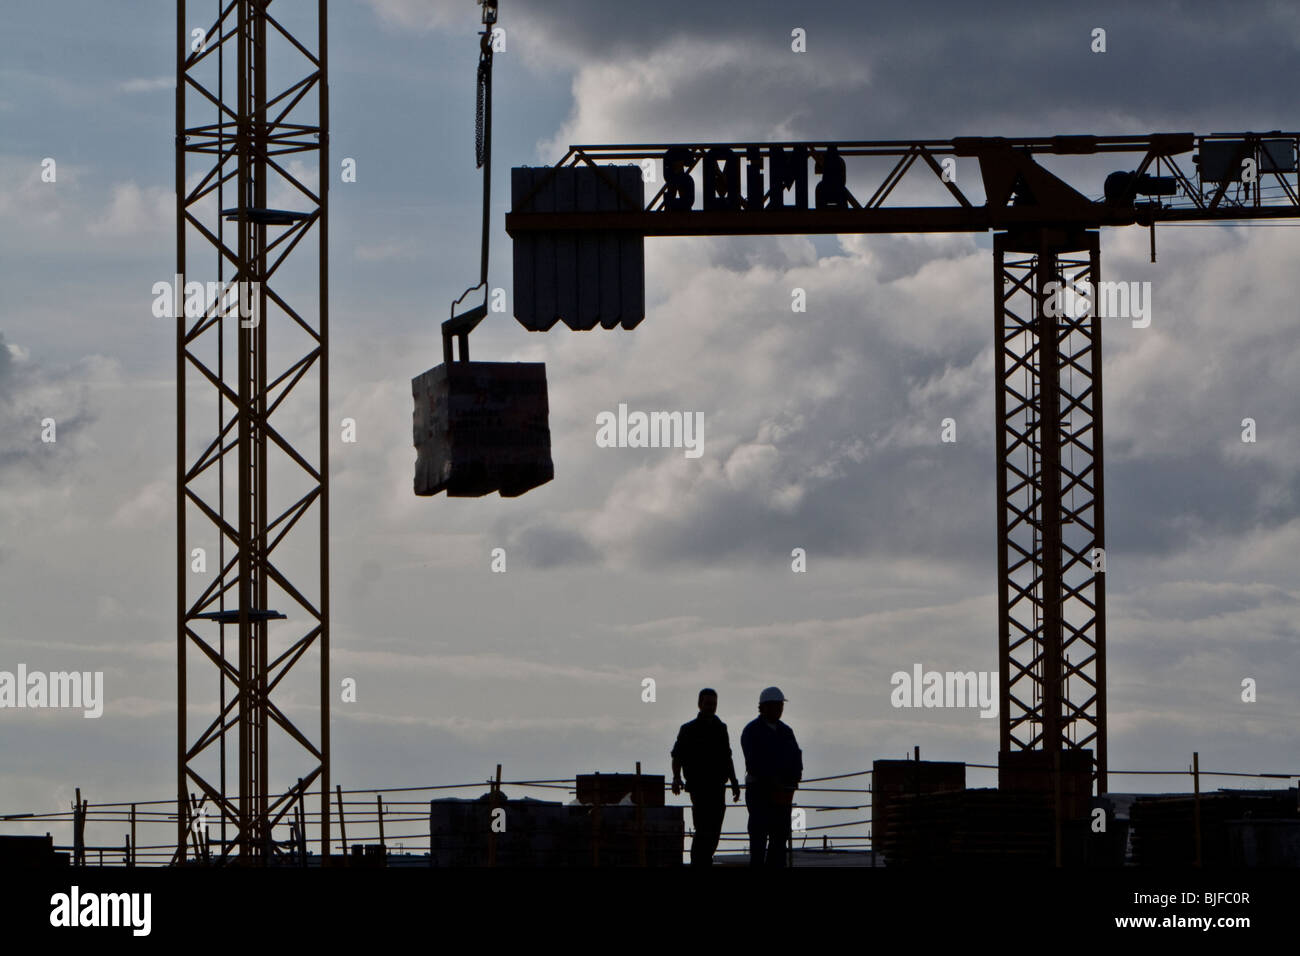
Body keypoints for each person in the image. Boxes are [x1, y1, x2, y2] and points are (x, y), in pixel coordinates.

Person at [671, 688, 741, 866]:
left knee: (715, 829)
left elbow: (727, 757)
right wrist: (676, 777)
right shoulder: (688, 729)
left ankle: (704, 860)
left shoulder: (721, 728)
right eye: (708, 704)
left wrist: (734, 782)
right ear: (700, 704)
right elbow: (677, 756)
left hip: (718, 787)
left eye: (714, 704)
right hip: (699, 787)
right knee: (703, 829)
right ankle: (699, 862)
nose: (711, 707)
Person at [740, 686, 802, 867]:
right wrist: (774, 779)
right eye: (776, 706)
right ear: (764, 707)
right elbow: (753, 763)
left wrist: (794, 778)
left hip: (782, 794)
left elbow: (796, 756)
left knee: (779, 837)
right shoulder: (752, 731)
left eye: (780, 706)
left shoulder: (786, 731)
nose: (779, 710)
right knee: (759, 838)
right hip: (760, 792)